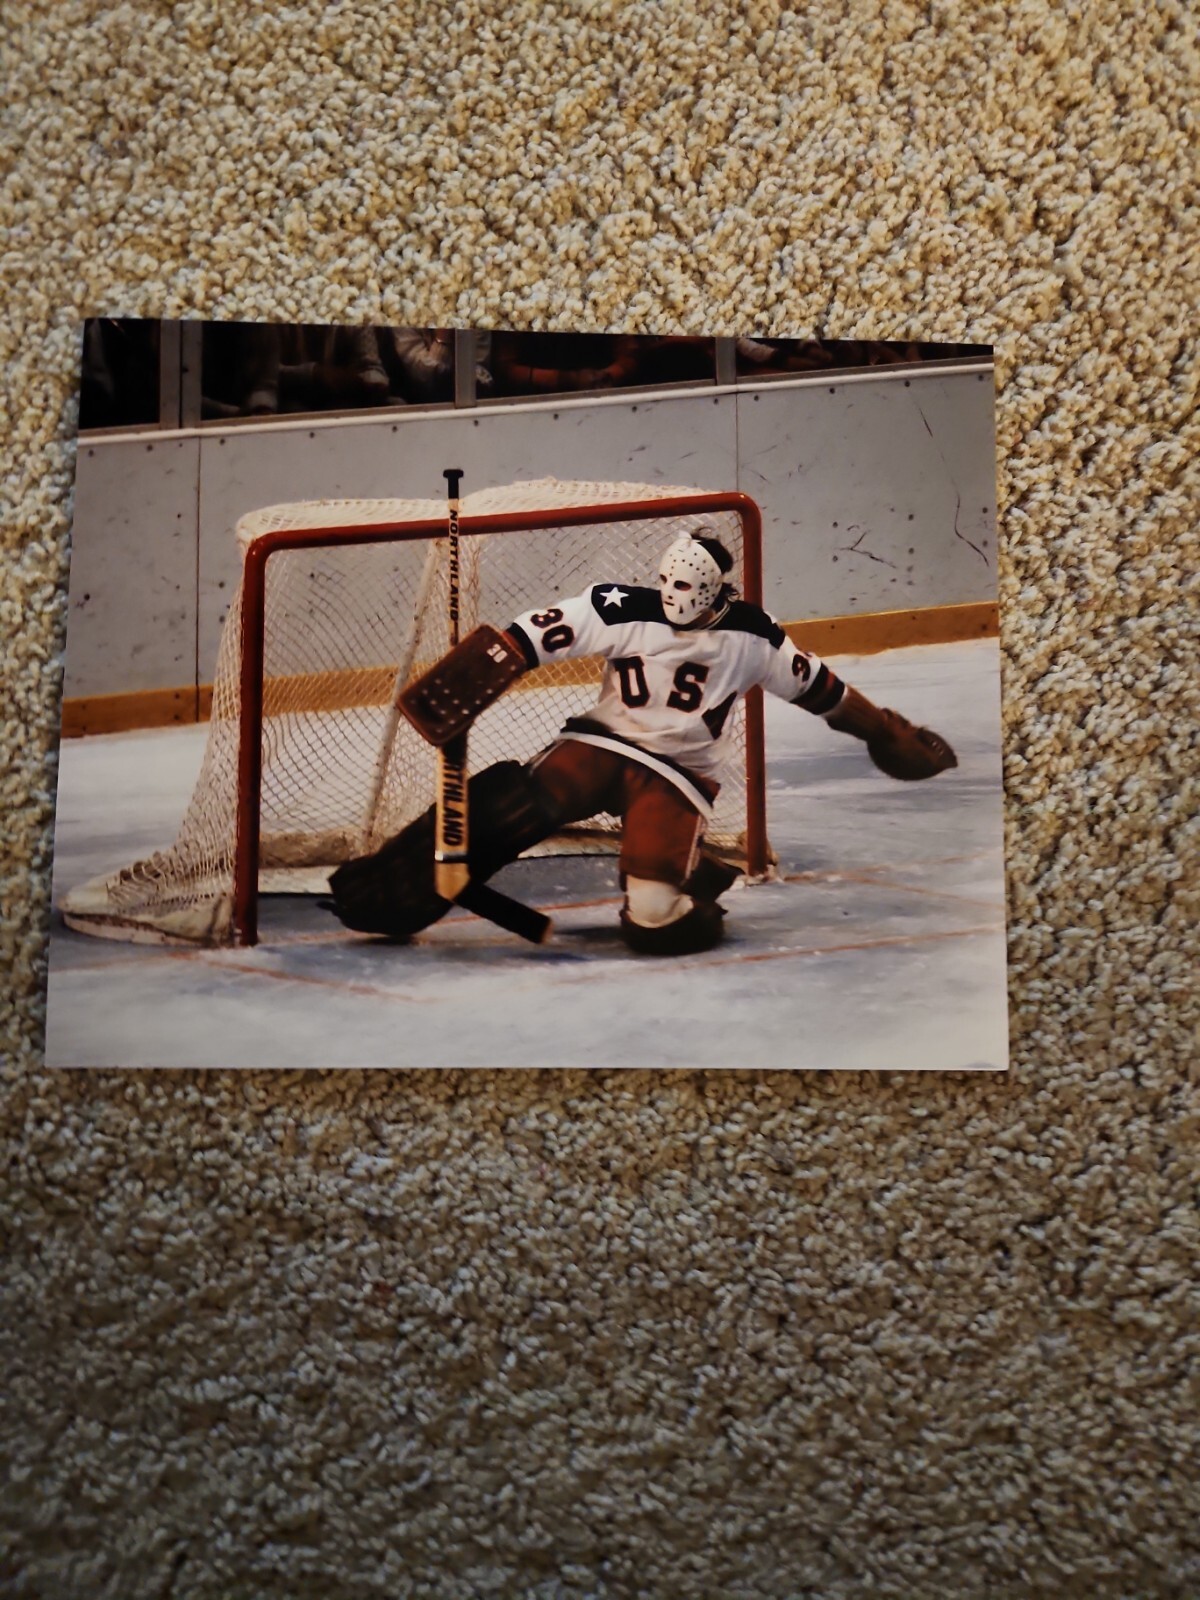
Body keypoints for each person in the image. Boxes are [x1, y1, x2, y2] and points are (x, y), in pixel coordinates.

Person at [327, 531, 957, 954]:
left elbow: (824, 693)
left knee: (653, 925)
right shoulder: (620, 605)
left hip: (677, 774)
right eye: (669, 584)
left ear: (714, 592)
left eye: (687, 590)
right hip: (603, 744)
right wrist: (475, 674)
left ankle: (690, 880)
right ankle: (388, 886)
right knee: (510, 803)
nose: (674, 597)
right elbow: (532, 635)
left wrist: (884, 733)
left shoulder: (755, 637)